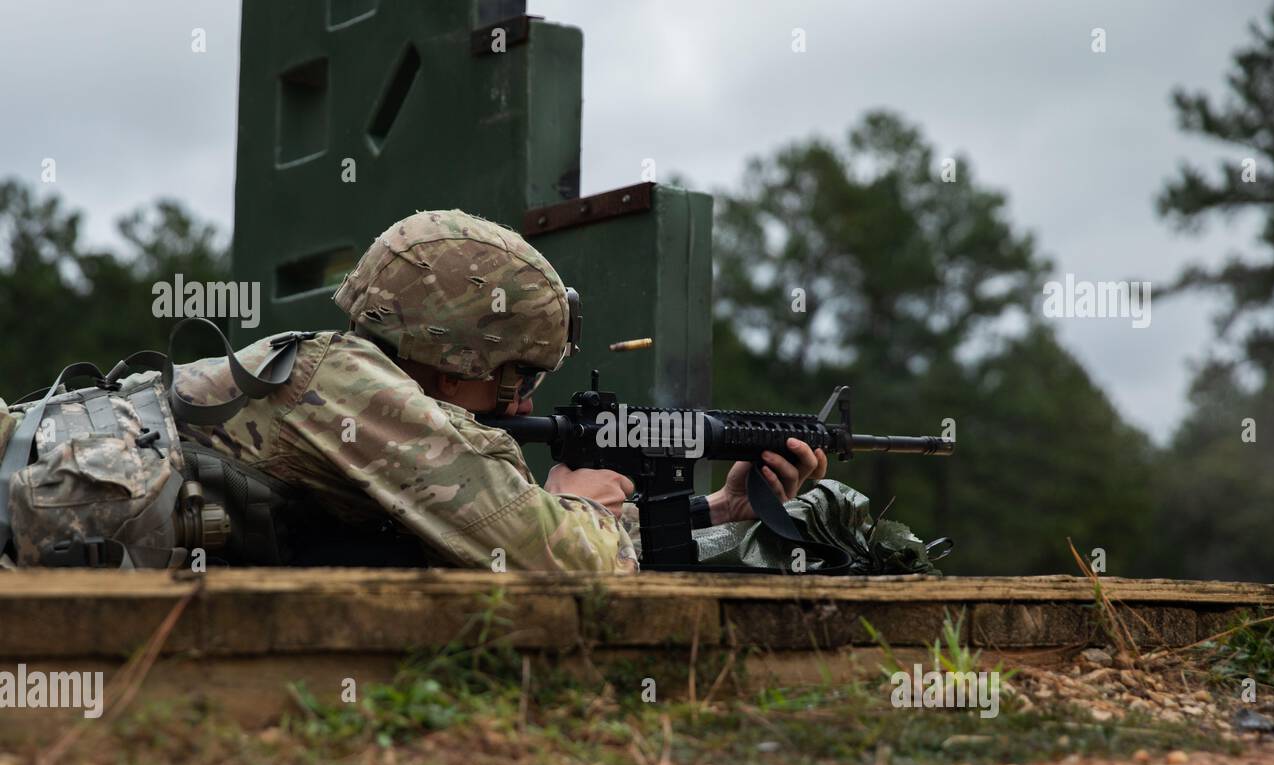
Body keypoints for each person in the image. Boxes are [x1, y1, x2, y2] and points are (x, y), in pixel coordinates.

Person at [170, 209, 827, 571]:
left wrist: (717, 508)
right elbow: (561, 560)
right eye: (516, 375)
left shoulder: (334, 375)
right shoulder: (360, 396)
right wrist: (578, 506)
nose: (523, 405)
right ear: (452, 362)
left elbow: (486, 531)